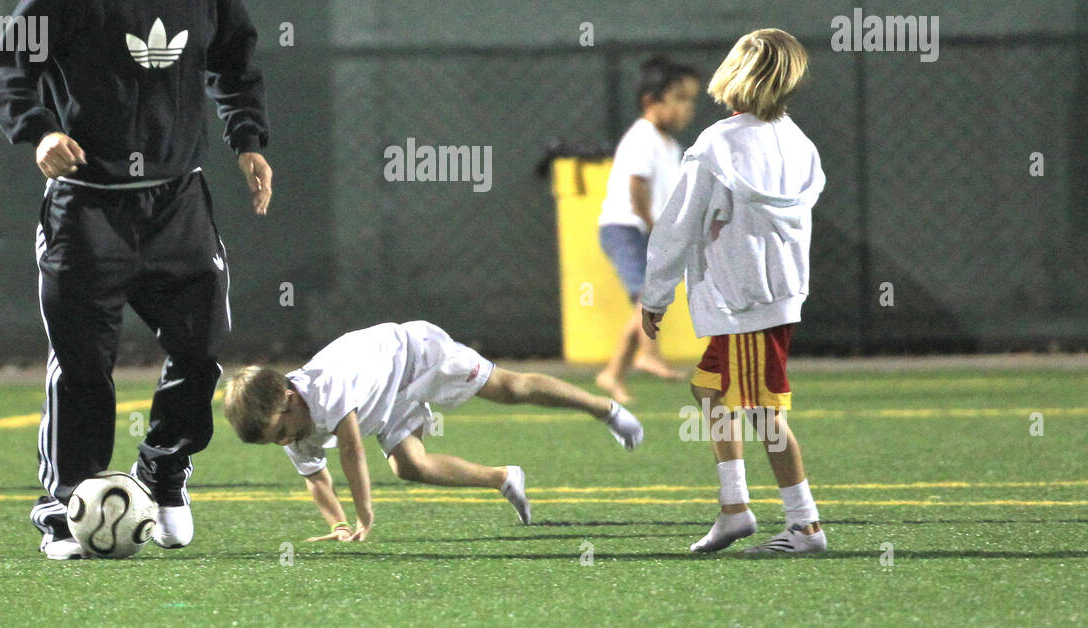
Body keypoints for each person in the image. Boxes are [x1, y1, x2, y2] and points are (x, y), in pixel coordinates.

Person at [0, 0, 272, 560]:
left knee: (202, 352)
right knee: (84, 368)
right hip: (88, 207)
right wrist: (40, 132)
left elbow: (237, 61)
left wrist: (249, 141)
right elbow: (8, 67)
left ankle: (163, 472)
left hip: (178, 201)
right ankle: (64, 511)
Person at [639, 29, 827, 554]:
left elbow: (677, 226)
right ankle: (735, 509)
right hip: (779, 295)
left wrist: (655, 294)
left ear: (735, 71)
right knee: (710, 391)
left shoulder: (717, 145)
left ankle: (805, 526)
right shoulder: (799, 142)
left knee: (766, 417)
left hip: (742, 302)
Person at [222, 321, 644, 539]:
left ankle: (603, 408)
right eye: (272, 441)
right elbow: (317, 479)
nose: (283, 442)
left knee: (509, 388)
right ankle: (503, 477)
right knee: (410, 466)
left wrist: (364, 515)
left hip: (415, 355)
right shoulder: (290, 428)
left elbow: (352, 452)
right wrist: (338, 525)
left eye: (281, 431)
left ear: (289, 398)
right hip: (385, 400)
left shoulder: (324, 389)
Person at [596, 57, 700, 403]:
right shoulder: (642, 136)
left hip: (643, 229)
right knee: (646, 294)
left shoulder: (670, 146)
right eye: (680, 99)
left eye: (691, 100)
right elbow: (636, 186)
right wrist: (655, 225)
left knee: (645, 301)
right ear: (650, 102)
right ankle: (648, 355)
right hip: (625, 227)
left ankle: (612, 374)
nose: (688, 108)